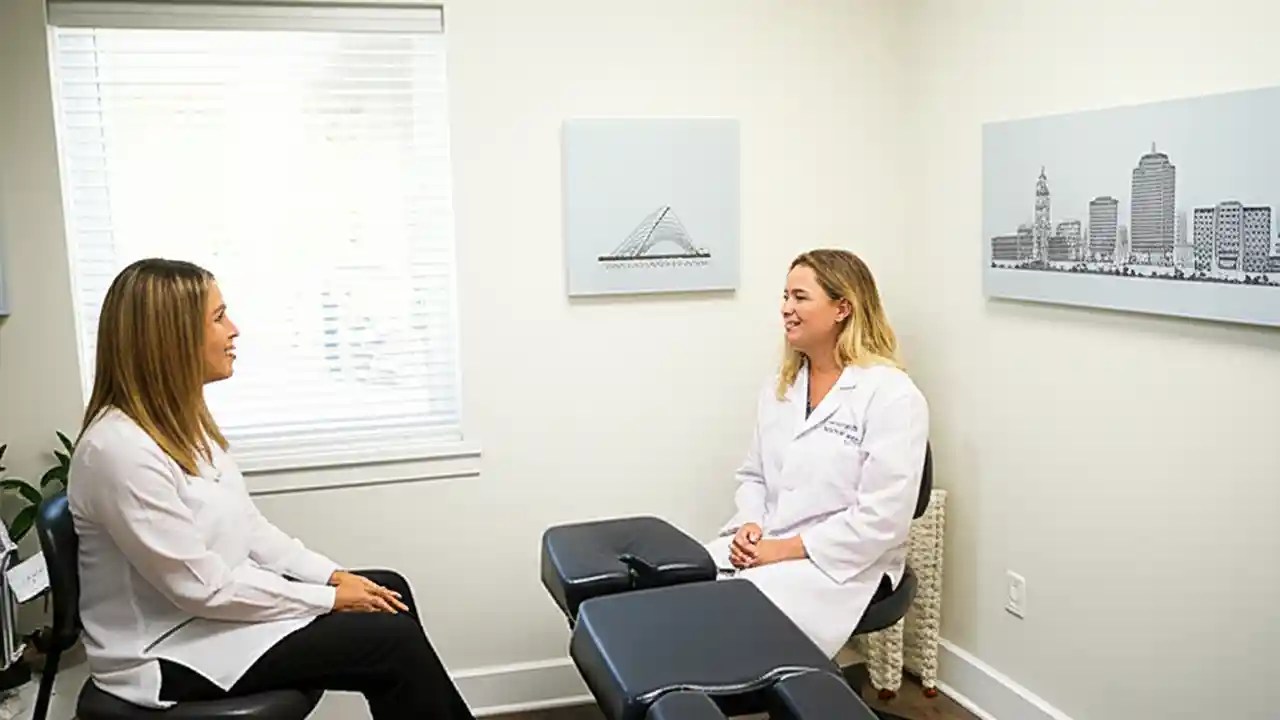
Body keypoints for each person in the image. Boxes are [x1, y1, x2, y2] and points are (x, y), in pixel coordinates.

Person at [67, 258, 475, 719]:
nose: (234, 330)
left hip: (208, 621)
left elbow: (250, 528)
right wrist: (327, 599)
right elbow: (200, 589)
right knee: (390, 642)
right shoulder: (119, 451)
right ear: (171, 339)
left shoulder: (182, 426)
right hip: (164, 651)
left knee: (386, 590)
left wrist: (331, 576)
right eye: (219, 318)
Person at [704, 248, 929, 659]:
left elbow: (882, 520)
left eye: (800, 297)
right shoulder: (782, 385)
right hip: (771, 543)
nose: (786, 309)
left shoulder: (892, 395)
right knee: (684, 587)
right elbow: (754, 476)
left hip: (847, 561)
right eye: (785, 297)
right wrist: (751, 526)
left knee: (727, 615)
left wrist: (783, 550)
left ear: (843, 307)